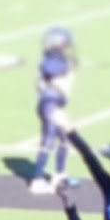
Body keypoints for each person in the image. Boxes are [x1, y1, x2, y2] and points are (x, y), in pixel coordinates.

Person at [28, 27, 76, 195]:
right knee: (48, 141)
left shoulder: (57, 60)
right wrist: (67, 68)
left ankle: (59, 175)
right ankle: (37, 179)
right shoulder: (52, 62)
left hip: (55, 105)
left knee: (64, 139)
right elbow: (51, 71)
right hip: (50, 105)